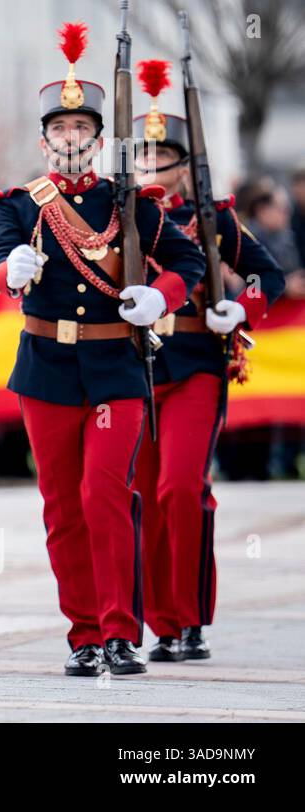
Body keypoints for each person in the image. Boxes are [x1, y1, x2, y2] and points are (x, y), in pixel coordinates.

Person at [0, 22, 205, 677]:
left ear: (101, 140)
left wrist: (160, 295)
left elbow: (186, 259)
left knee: (106, 493)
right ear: (44, 139)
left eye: (82, 130)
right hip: (46, 368)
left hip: (114, 369)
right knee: (62, 506)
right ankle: (82, 633)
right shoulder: (22, 205)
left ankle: (118, 631)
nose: (71, 140)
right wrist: (7, 273)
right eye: (60, 130)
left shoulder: (130, 203)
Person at [130, 59, 285, 663]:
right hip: (134, 368)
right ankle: (162, 623)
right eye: (140, 160)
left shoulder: (212, 219)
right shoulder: (121, 217)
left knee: (180, 488)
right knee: (142, 493)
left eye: (159, 159)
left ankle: (191, 619)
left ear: (183, 165)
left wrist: (239, 310)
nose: (149, 169)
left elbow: (266, 275)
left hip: (195, 359)